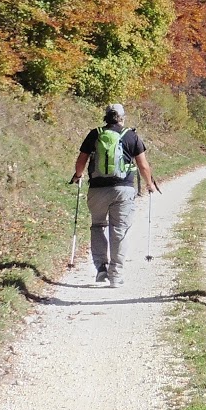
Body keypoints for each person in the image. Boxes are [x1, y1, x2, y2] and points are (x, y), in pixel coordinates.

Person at [70, 103, 161, 287]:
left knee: (98, 226)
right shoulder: (131, 136)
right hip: (123, 190)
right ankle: (116, 275)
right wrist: (149, 184)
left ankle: (101, 268)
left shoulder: (95, 134)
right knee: (119, 230)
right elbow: (143, 166)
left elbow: (81, 161)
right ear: (122, 118)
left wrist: (78, 176)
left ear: (106, 117)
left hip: (97, 190)